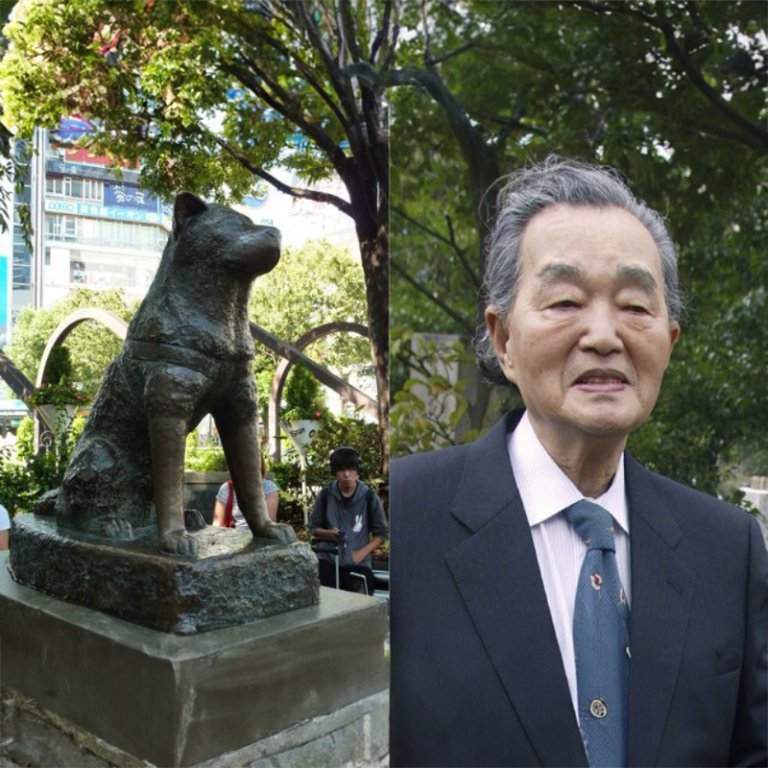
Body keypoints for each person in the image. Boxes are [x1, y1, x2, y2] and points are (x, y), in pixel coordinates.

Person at [390, 157, 768, 767]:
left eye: (635, 307)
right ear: (504, 338)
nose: (603, 334)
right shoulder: (408, 514)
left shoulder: (727, 546)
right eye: (565, 301)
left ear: (667, 343)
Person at [310, 446, 388, 596]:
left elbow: (382, 534)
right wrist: (329, 533)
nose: (346, 475)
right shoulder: (325, 496)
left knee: (360, 608)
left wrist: (360, 554)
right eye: (341, 470)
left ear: (357, 470)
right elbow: (313, 528)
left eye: (351, 469)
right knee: (327, 605)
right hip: (329, 559)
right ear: (334, 472)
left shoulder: (369, 497)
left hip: (358, 563)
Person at [213, 456, 279, 526]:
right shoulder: (226, 488)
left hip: (260, 535)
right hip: (233, 534)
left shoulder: (269, 487)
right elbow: (217, 523)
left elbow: (270, 523)